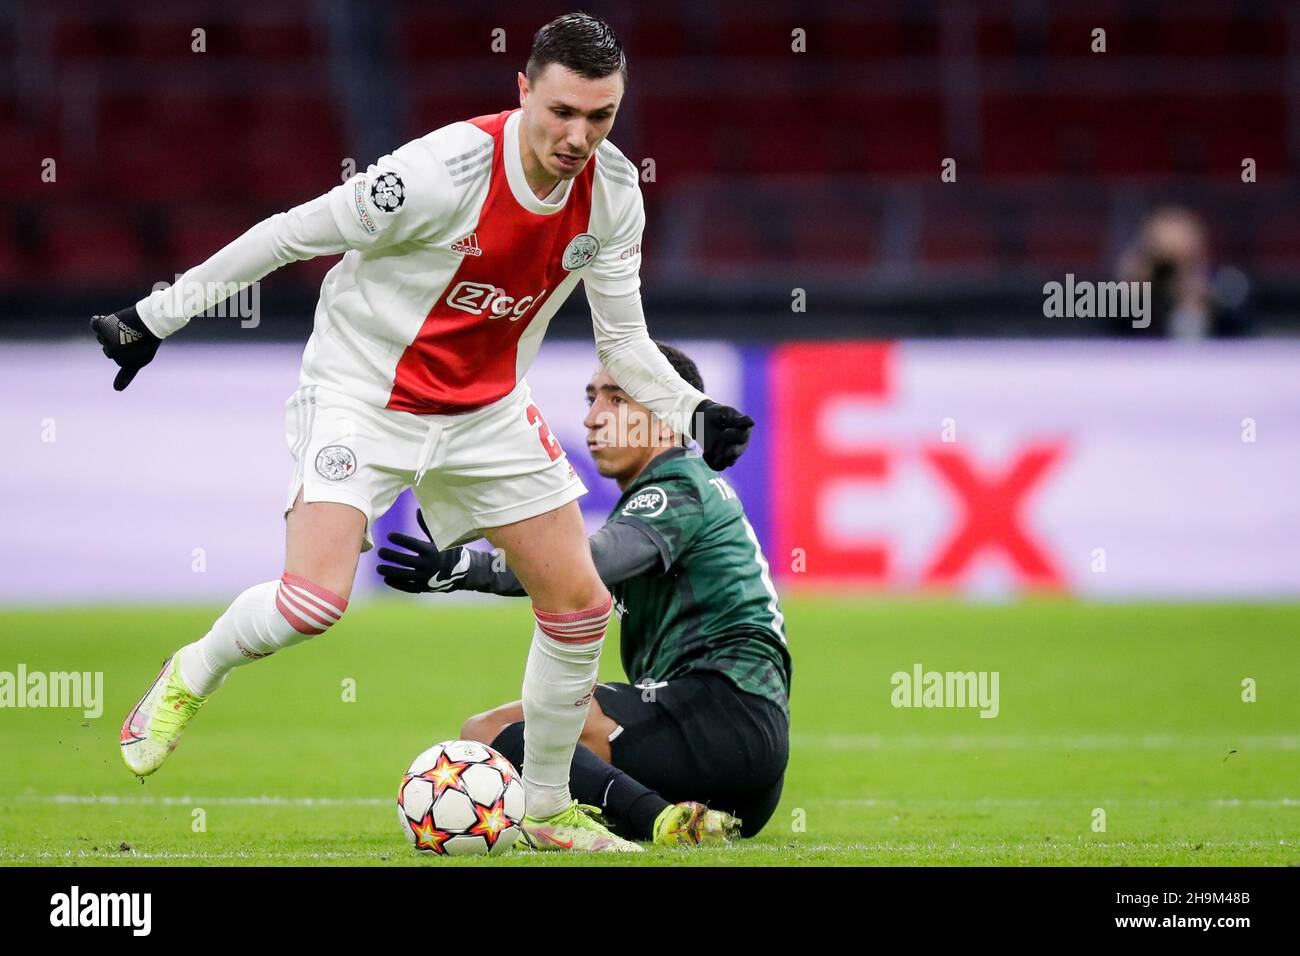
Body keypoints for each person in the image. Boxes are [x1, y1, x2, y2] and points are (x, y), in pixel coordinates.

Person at [95, 13, 753, 854]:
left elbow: (623, 342)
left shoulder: (614, 194)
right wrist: (154, 316)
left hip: (486, 411)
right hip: (365, 394)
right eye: (561, 112)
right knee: (311, 603)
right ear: (522, 91)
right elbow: (291, 232)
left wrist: (695, 414)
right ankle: (194, 669)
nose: (578, 136)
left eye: (601, 117)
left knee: (581, 608)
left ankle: (546, 808)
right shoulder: (438, 174)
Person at [378, 343, 790, 846]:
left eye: (616, 400)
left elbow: (581, 564)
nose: (593, 418)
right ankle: (676, 818)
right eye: (591, 398)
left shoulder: (676, 488)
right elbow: (565, 560)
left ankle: (659, 818)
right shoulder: (672, 491)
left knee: (487, 733)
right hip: (738, 759)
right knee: (528, 755)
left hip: (719, 713)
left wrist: (469, 566)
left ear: (667, 418)